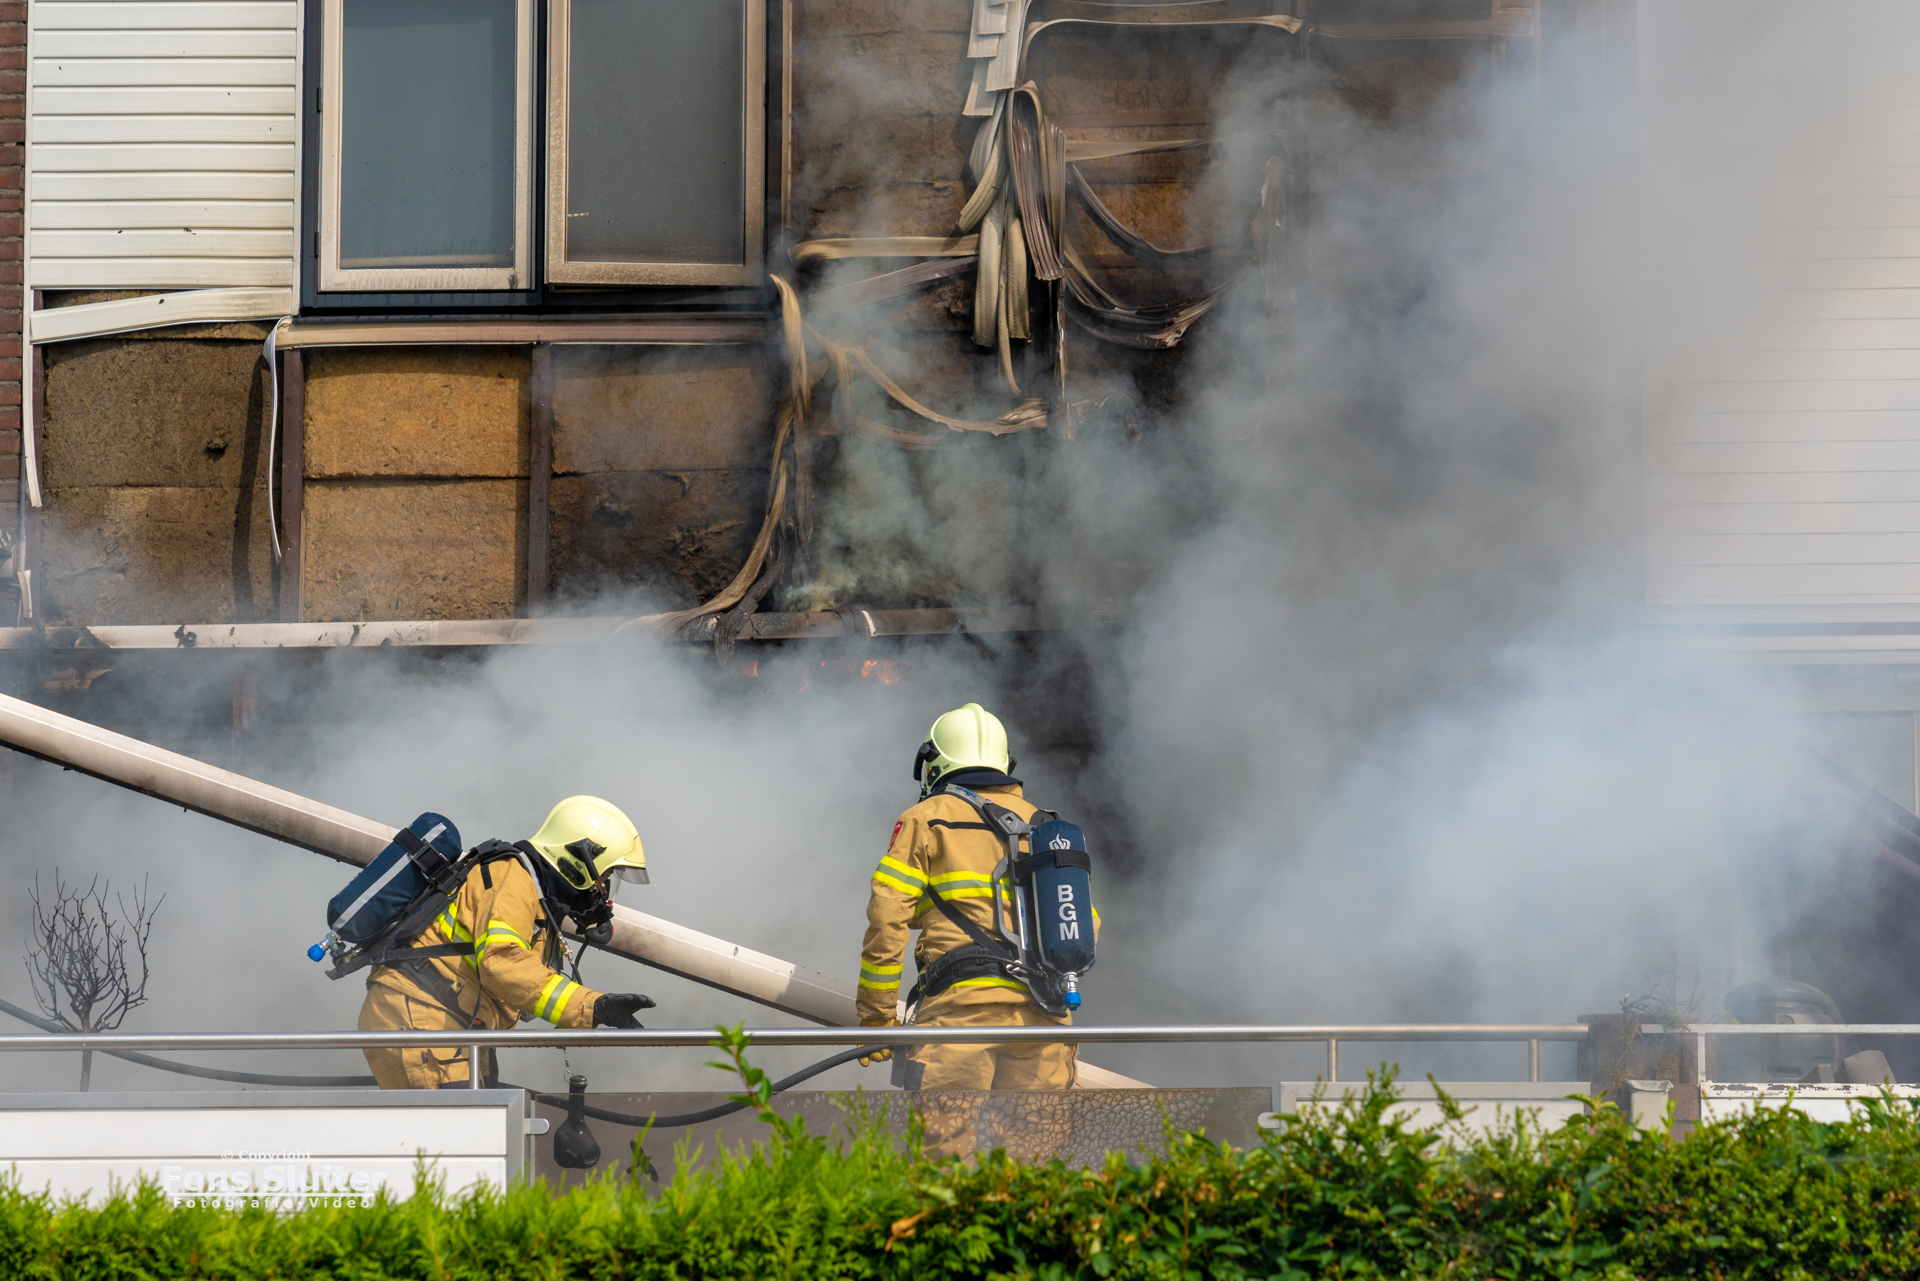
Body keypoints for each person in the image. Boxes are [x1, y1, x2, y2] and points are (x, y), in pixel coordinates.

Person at [856, 703, 1097, 1154]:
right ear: (1004, 764)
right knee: (1034, 1174)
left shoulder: (927, 818)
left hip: (959, 1018)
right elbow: (1085, 923)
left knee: (946, 1171)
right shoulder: (1044, 828)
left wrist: (876, 1019)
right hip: (1045, 1020)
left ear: (935, 764)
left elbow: (887, 921)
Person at [358, 795, 657, 1089]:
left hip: (453, 1025)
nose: (603, 893)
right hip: (422, 1019)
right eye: (604, 878)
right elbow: (503, 964)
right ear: (578, 860)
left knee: (488, 1128)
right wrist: (591, 1007)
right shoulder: (513, 880)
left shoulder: (534, 893)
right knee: (460, 1135)